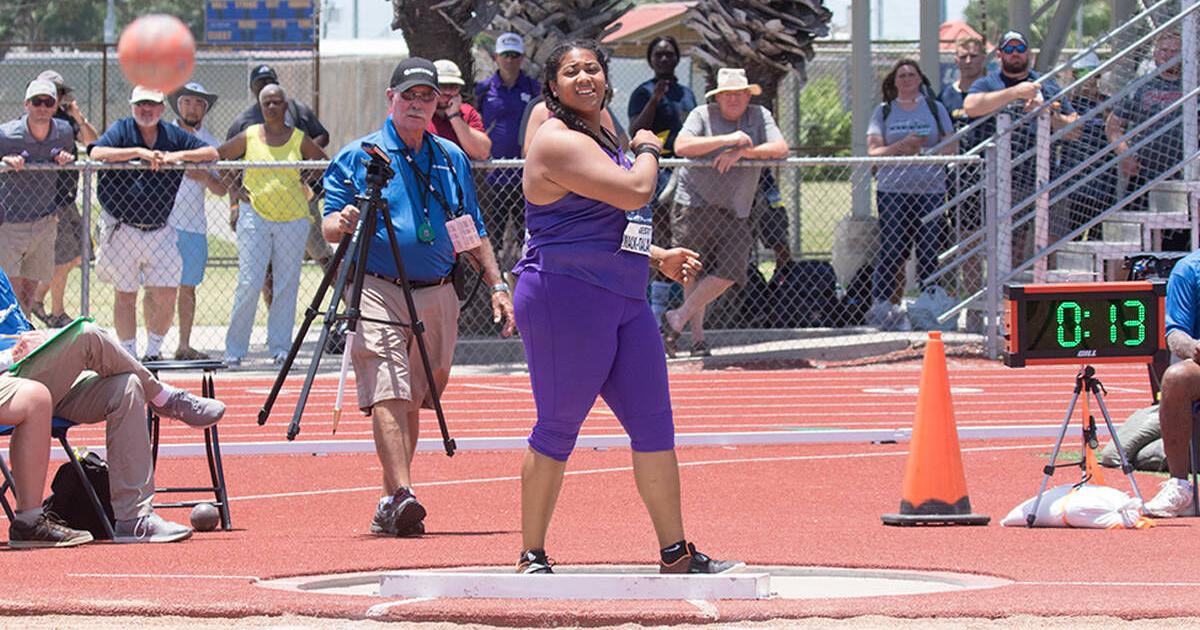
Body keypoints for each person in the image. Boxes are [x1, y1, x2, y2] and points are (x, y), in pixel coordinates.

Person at [516, 39, 735, 575]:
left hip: (624, 296)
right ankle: (532, 553)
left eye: (593, 68)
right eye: (571, 72)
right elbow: (637, 191)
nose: (585, 78)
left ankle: (676, 550)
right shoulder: (555, 138)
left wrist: (657, 255)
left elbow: (610, 220)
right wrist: (649, 146)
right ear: (553, 87)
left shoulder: (605, 125)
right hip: (564, 296)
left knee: (655, 426)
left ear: (607, 78)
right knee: (558, 427)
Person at [322, 57, 513, 537]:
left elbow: (469, 230)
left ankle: (390, 501)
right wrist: (342, 222)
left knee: (414, 399)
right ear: (391, 99)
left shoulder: (451, 159)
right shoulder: (359, 155)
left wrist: (495, 283)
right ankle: (404, 493)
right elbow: (327, 224)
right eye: (408, 95)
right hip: (377, 285)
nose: (417, 103)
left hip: (438, 291)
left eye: (426, 96)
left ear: (438, 103)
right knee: (389, 385)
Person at [0, 265, 226, 543]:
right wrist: (11, 356)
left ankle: (134, 519)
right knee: (87, 334)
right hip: (9, 380)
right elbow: (13, 350)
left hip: (31, 375)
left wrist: (42, 341)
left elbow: (21, 335)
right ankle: (163, 397)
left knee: (127, 386)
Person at [663, 68, 788, 357]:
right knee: (692, 270)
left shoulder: (759, 116)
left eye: (739, 94)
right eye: (727, 95)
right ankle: (697, 339)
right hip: (694, 203)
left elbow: (780, 148)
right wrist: (728, 140)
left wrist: (744, 152)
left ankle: (678, 317)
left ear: (748, 95)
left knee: (733, 269)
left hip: (737, 208)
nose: (734, 99)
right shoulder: (701, 114)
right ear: (717, 97)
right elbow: (681, 146)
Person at [88, 86, 219, 361]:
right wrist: (139, 153)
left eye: (152, 105)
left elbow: (210, 153)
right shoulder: (122, 129)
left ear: (161, 109)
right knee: (125, 294)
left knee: (167, 293)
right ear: (132, 106)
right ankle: (128, 354)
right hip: (123, 226)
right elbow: (97, 152)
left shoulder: (172, 135)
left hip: (160, 227)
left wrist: (175, 157)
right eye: (140, 105)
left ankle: (152, 352)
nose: (146, 110)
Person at [220, 84, 327, 366]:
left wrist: (309, 175)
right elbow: (220, 157)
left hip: (293, 218)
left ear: (285, 106)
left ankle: (280, 346)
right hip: (255, 215)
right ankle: (235, 349)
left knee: (286, 283)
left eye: (277, 103)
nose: (271, 108)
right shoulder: (250, 135)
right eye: (266, 103)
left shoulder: (299, 138)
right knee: (249, 281)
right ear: (260, 105)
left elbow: (324, 162)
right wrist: (235, 188)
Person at [963, 30, 1078, 267]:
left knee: (1050, 242)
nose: (1015, 54)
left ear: (1029, 54)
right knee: (1009, 247)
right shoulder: (988, 83)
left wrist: (1045, 111)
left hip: (1044, 177)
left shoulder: (1046, 84)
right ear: (999, 54)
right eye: (1009, 49)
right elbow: (971, 106)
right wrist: (1014, 93)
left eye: (1020, 49)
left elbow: (1074, 128)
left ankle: (1046, 292)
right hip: (1004, 181)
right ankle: (1007, 297)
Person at [226, 65, 333, 309]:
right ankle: (275, 317)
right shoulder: (244, 122)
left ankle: (346, 307)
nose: (265, 87)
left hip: (299, 199)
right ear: (252, 89)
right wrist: (234, 204)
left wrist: (303, 156)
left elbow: (322, 136)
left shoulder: (295, 110)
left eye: (269, 81)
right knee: (266, 268)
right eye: (259, 83)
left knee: (322, 254)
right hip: (259, 205)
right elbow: (227, 165)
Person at [864, 59, 957, 331]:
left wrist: (927, 153)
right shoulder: (883, 111)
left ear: (920, 79)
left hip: (930, 189)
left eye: (911, 74)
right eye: (901, 75)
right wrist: (902, 146)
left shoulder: (934, 107)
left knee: (929, 248)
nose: (906, 79)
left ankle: (930, 304)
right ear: (894, 82)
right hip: (893, 190)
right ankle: (883, 306)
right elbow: (873, 152)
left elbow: (951, 143)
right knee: (893, 248)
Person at [626, 35, 699, 330]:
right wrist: (655, 100)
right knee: (656, 235)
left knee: (679, 237)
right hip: (655, 169)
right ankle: (652, 310)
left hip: (684, 172)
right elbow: (634, 130)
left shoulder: (686, 93)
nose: (665, 59)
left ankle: (673, 306)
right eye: (659, 55)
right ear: (651, 60)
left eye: (670, 54)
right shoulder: (642, 92)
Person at [0, 79, 76, 315]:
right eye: (36, 101)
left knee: (28, 296)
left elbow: (71, 164)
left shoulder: (64, 132)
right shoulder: (7, 134)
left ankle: (23, 345)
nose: (42, 107)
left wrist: (65, 159)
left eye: (48, 102)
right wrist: (3, 163)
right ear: (26, 104)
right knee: (8, 298)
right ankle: (9, 345)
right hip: (9, 223)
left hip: (44, 221)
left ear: (55, 106)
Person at [31, 69, 98, 329]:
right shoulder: (34, 119)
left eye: (55, 94)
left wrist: (78, 116)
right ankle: (52, 309)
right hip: (47, 200)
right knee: (62, 257)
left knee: (77, 255)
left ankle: (40, 300)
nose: (48, 101)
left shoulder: (68, 121)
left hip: (68, 199)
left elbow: (92, 142)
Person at [168, 83, 227, 360]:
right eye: (186, 102)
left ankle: (183, 344)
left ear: (205, 108)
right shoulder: (163, 135)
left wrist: (203, 176)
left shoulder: (211, 143)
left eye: (197, 103)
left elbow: (222, 188)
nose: (192, 107)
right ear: (178, 105)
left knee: (188, 287)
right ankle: (151, 347)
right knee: (155, 288)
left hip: (193, 225)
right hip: (161, 222)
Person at [1143, 248, 1200, 517]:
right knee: (1177, 378)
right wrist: (1193, 347)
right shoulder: (1189, 270)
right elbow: (1175, 334)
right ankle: (1179, 486)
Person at [475, 32, 540, 266]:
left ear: (522, 58)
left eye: (514, 55)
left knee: (528, 237)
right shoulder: (483, 90)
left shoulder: (534, 89)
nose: (510, 60)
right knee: (493, 237)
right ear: (496, 57)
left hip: (525, 177)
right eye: (505, 55)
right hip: (493, 177)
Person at [1106, 31, 1184, 222]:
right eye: (1164, 50)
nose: (1168, 55)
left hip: (1182, 172)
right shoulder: (1140, 86)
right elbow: (1113, 125)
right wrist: (1125, 154)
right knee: (1140, 228)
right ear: (1156, 53)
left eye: (1175, 51)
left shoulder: (1192, 86)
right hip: (1143, 172)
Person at [428, 59, 491, 160]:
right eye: (442, 86)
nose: (448, 92)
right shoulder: (420, 113)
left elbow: (482, 153)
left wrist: (454, 116)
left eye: (453, 87)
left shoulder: (467, 112)